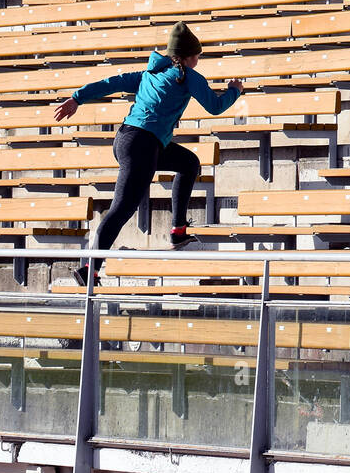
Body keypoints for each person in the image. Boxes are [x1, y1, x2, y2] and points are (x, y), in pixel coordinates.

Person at [54, 22, 245, 287]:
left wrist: (77, 98)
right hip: (142, 145)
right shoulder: (188, 76)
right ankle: (89, 268)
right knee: (122, 209)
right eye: (197, 55)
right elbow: (215, 106)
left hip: (128, 140)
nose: (198, 59)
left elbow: (111, 83)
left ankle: (178, 231)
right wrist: (235, 90)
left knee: (188, 163)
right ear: (189, 56)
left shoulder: (149, 73)